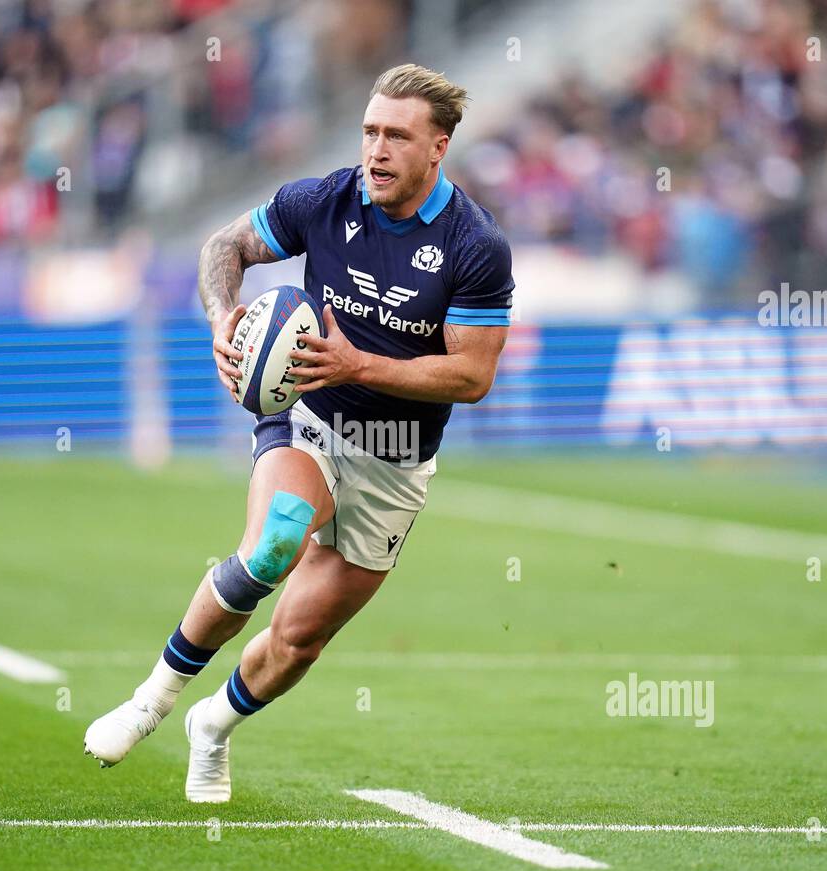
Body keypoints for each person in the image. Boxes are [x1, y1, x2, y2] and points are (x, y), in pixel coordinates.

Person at [84, 63, 515, 802]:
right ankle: (151, 701)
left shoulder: (474, 245)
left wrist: (358, 361)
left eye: (397, 137)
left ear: (438, 148)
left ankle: (212, 728)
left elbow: (471, 377)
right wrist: (225, 318)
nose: (376, 150)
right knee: (276, 541)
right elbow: (223, 249)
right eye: (370, 131)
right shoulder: (323, 200)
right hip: (309, 417)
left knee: (298, 640)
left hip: (396, 462)